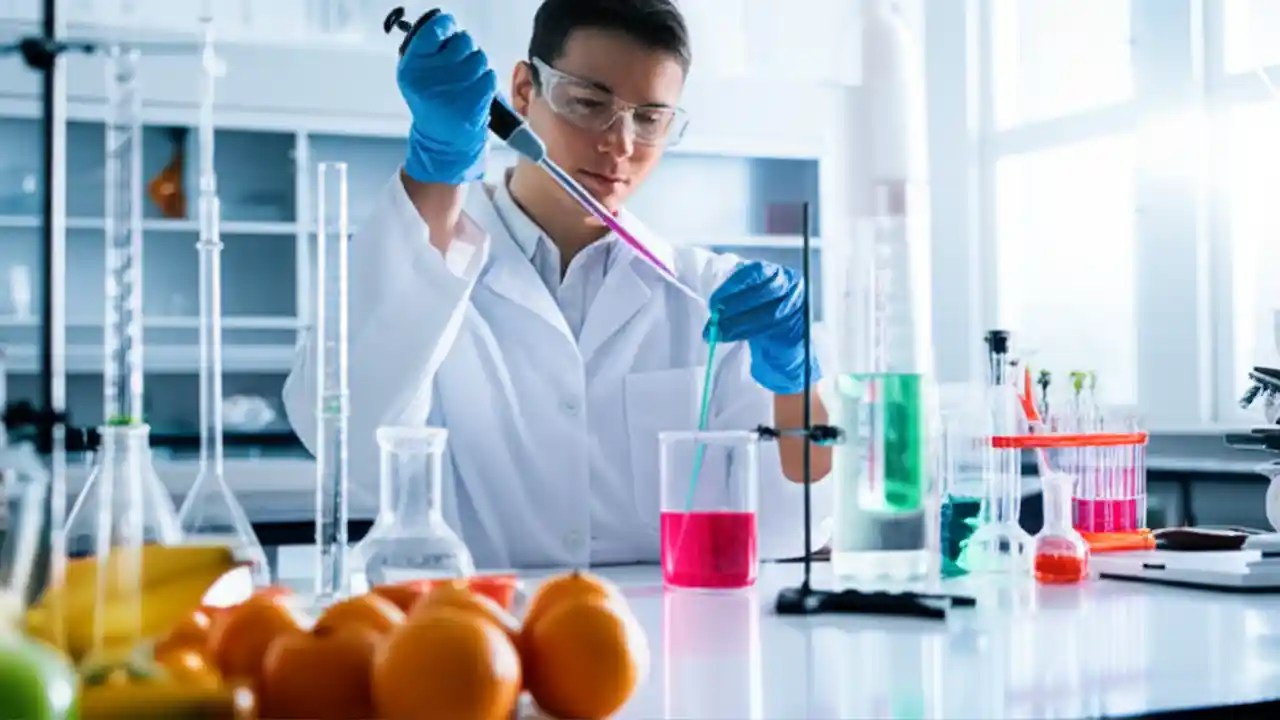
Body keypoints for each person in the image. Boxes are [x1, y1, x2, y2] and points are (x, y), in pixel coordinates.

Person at [283, 0, 833, 570]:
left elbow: (793, 525)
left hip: (664, 640)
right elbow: (336, 431)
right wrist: (437, 171)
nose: (620, 144)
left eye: (649, 119)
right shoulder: (429, 272)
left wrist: (796, 381)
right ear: (523, 92)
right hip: (482, 638)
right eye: (590, 103)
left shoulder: (708, 295)